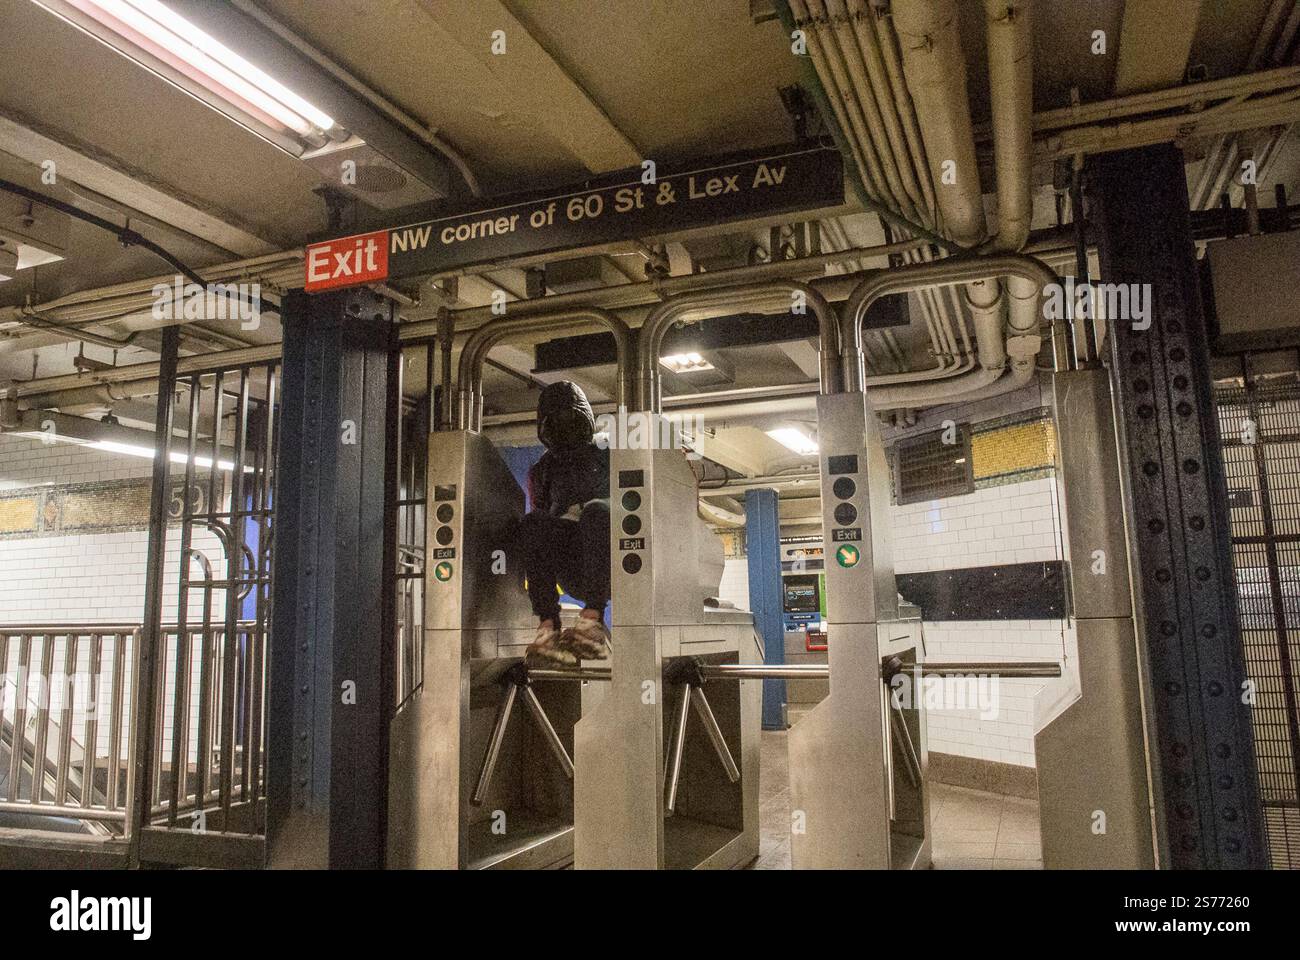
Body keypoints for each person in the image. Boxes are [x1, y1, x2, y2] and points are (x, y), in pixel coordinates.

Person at [518, 380, 611, 666]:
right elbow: (542, 524)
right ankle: (548, 627)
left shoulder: (610, 451)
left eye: (571, 419)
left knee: (596, 510)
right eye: (556, 422)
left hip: (617, 559)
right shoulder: (543, 470)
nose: (565, 427)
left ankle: (592, 621)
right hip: (575, 566)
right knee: (534, 523)